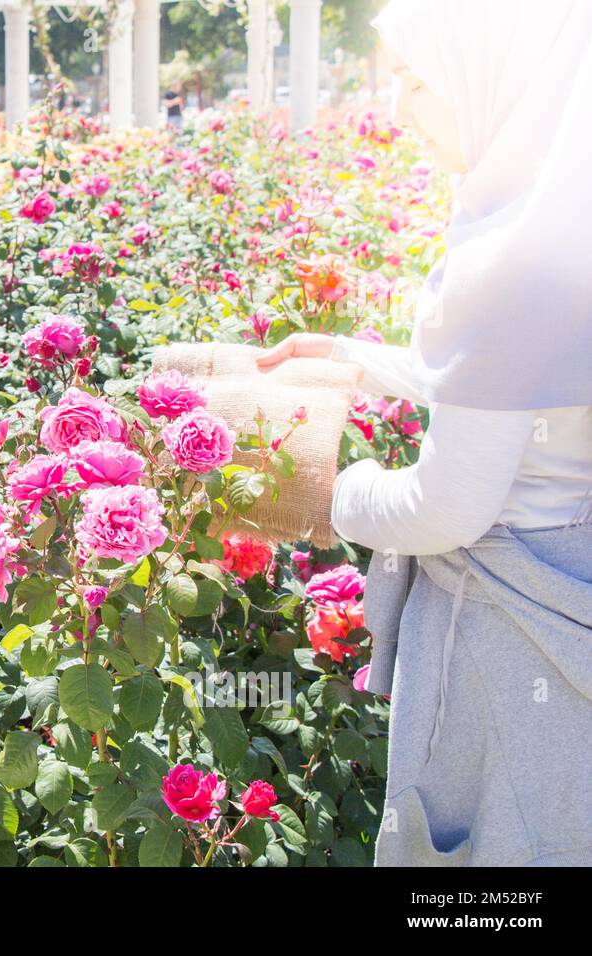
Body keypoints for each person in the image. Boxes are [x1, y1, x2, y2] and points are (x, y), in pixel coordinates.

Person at [257, 0, 592, 866]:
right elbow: (526, 392)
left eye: (414, 80)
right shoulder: (565, 224)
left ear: (490, 78)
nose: (397, 108)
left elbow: (448, 507)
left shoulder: (513, 262)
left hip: (509, 640)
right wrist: (357, 360)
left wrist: (330, 492)